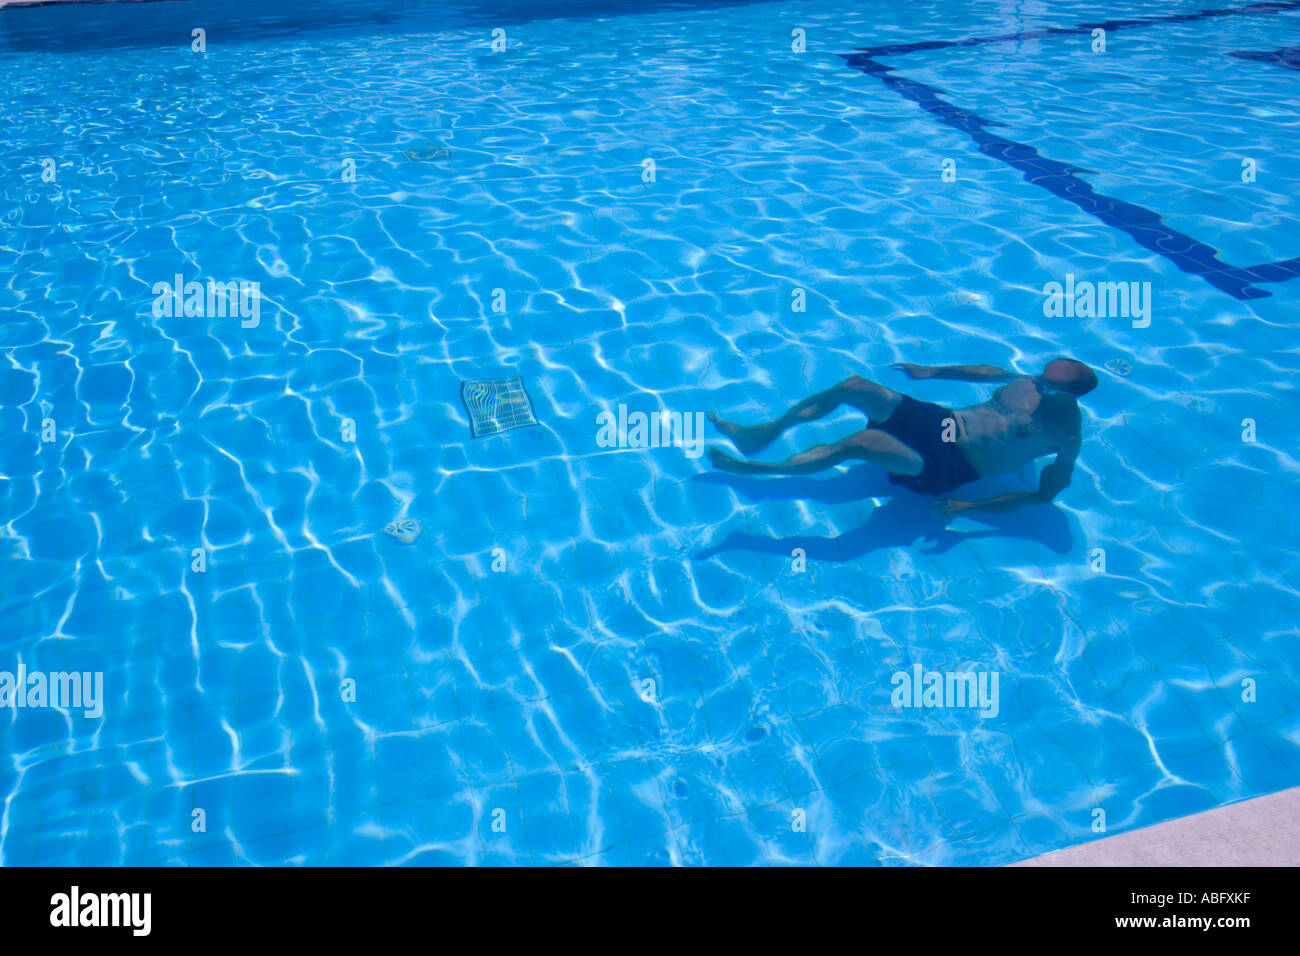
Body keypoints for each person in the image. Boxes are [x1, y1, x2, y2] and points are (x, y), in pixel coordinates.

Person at [707, 359, 1096, 516]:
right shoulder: (1029, 382)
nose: (1037, 383)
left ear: (1067, 396)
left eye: (1047, 385)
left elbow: (1045, 494)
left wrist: (968, 508)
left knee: (860, 444)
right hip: (939, 421)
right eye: (1041, 376)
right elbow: (985, 373)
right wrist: (931, 371)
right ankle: (762, 435)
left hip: (949, 465)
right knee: (852, 385)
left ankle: (756, 469)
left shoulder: (1064, 433)